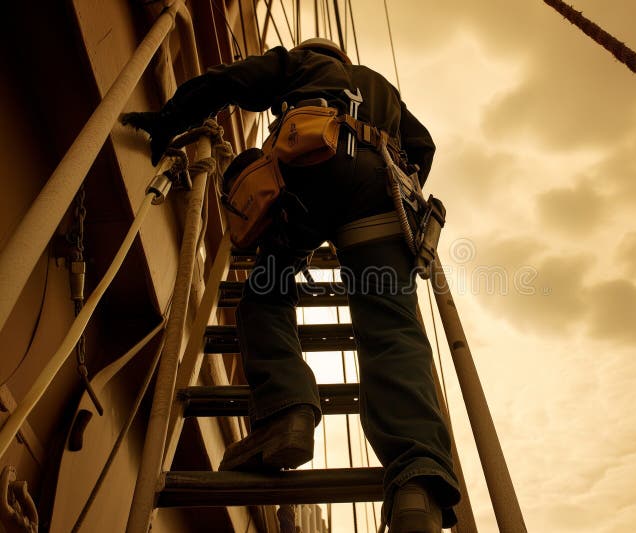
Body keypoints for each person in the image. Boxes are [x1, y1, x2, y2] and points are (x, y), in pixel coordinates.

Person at [122, 38, 460, 531]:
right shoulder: (382, 88)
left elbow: (230, 82)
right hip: (381, 194)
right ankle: (418, 487)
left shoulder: (302, 65)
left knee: (266, 294)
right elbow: (422, 147)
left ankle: (287, 414)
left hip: (309, 175)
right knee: (392, 329)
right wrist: (395, 194)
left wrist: (167, 119)